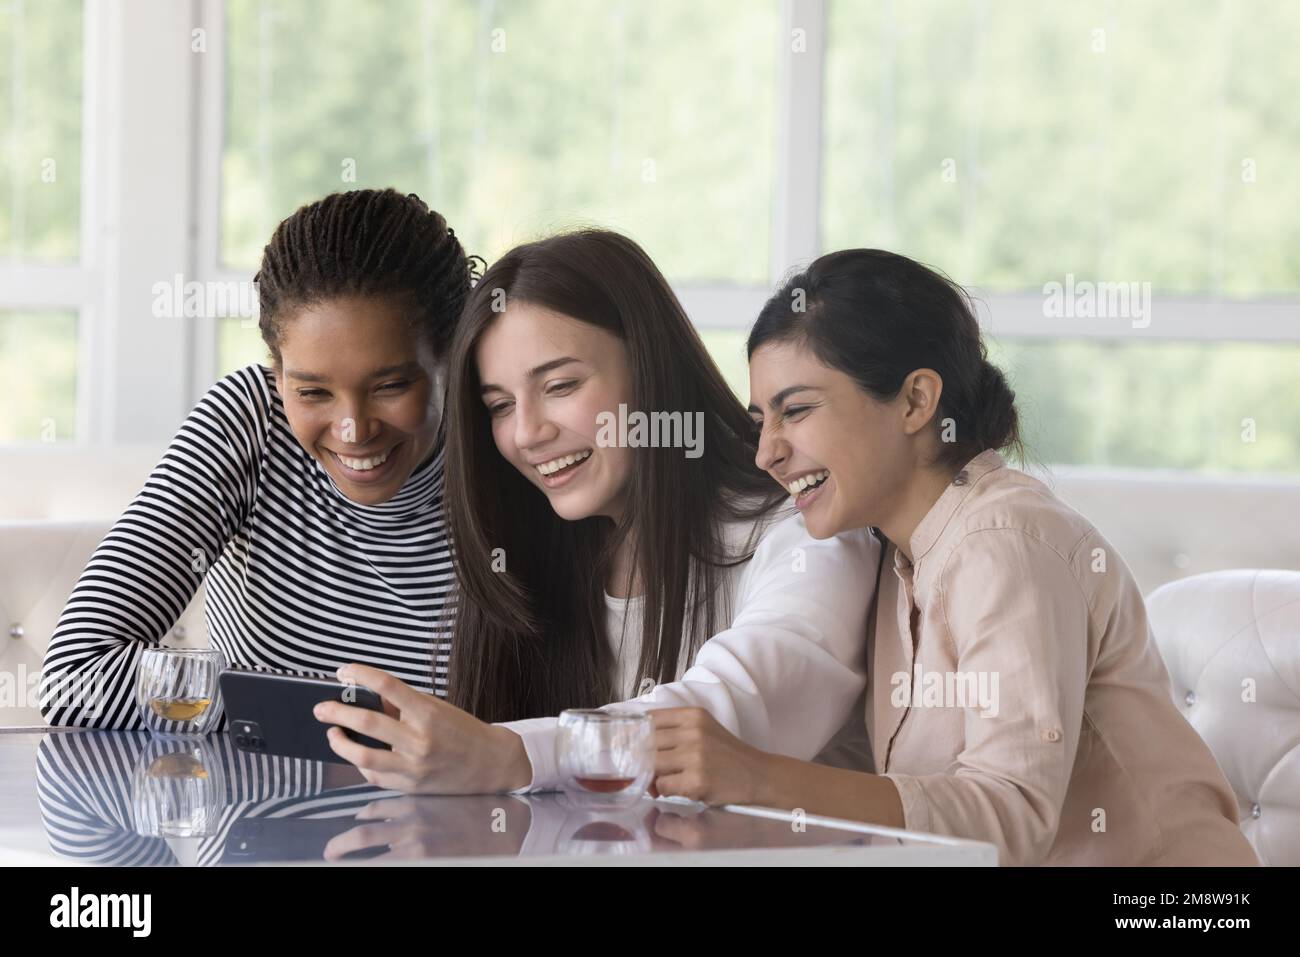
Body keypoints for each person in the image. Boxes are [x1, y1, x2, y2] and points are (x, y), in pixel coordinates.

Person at [639, 247, 1259, 866]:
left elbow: (1012, 813)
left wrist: (760, 778)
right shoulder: (893, 555)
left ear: (915, 401)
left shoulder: (1004, 542)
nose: (766, 453)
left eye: (796, 411)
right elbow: (882, 786)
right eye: (760, 421)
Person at [311, 230, 878, 794]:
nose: (528, 433)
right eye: (500, 406)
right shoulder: (547, 555)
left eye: (560, 385)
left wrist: (514, 756)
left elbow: (736, 706)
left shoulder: (806, 528)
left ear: (651, 368)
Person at [40, 188, 477, 729]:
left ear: (453, 358)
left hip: (453, 812)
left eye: (389, 385)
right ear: (277, 373)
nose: (353, 429)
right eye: (313, 392)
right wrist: (362, 731)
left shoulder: (505, 443)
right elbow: (73, 681)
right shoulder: (250, 421)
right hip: (251, 806)